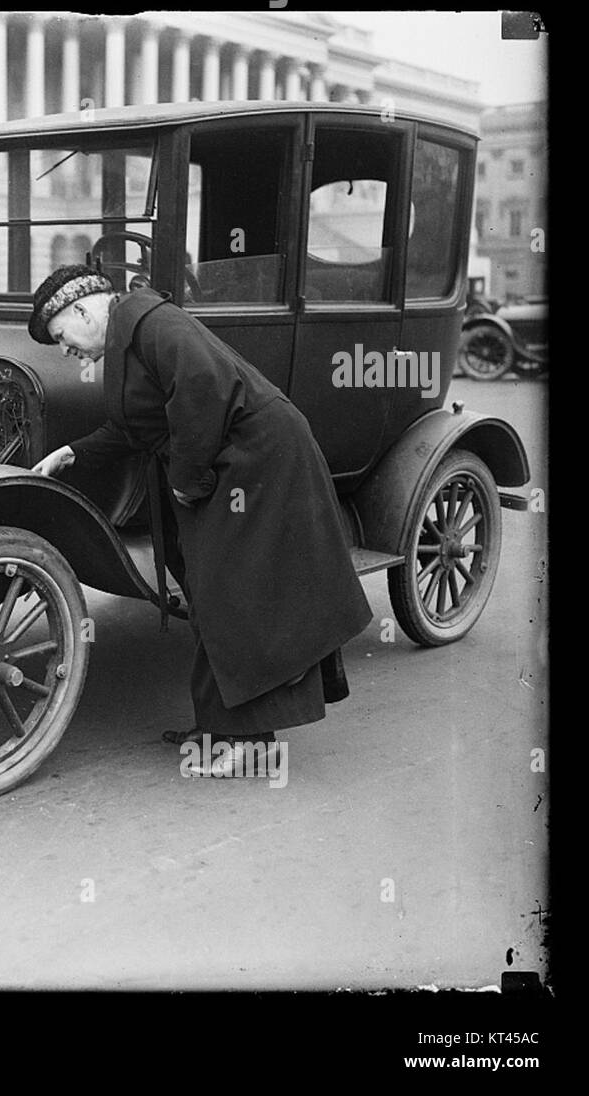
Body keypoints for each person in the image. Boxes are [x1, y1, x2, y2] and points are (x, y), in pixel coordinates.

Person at [27, 264, 372, 777]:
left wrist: (186, 481)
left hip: (260, 463)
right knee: (213, 596)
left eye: (61, 338)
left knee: (237, 597)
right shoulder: (132, 333)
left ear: (81, 310)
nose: (65, 352)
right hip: (232, 462)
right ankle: (221, 727)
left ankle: (250, 743)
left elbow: (203, 395)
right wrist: (74, 453)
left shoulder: (153, 324)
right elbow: (139, 426)